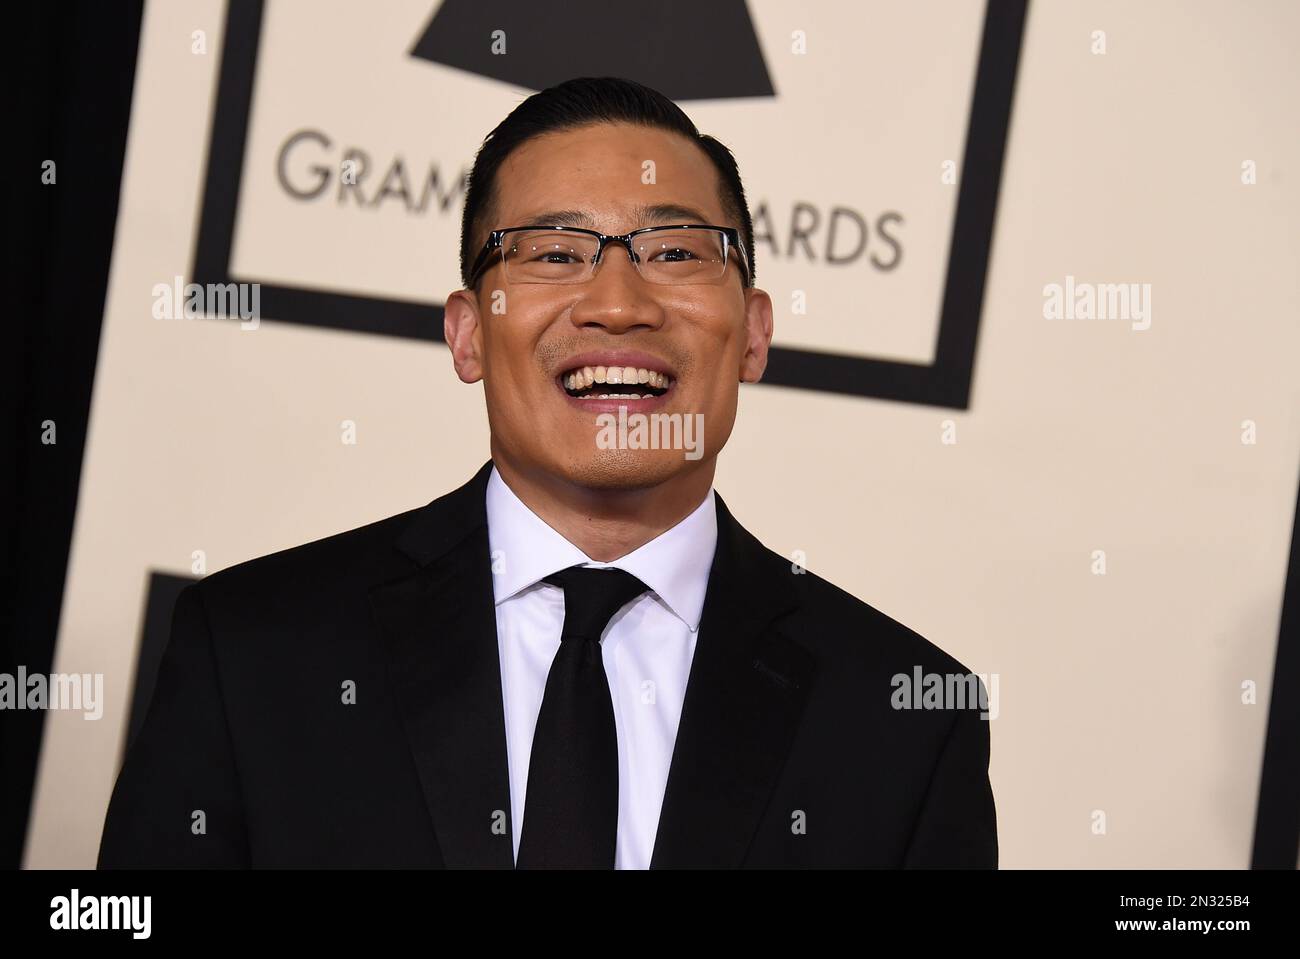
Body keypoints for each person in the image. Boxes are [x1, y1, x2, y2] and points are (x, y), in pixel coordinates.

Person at [99, 76, 997, 869]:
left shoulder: (905, 721)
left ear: (754, 332)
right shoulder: (257, 651)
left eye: (675, 252)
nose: (616, 303)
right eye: (554, 253)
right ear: (467, 332)